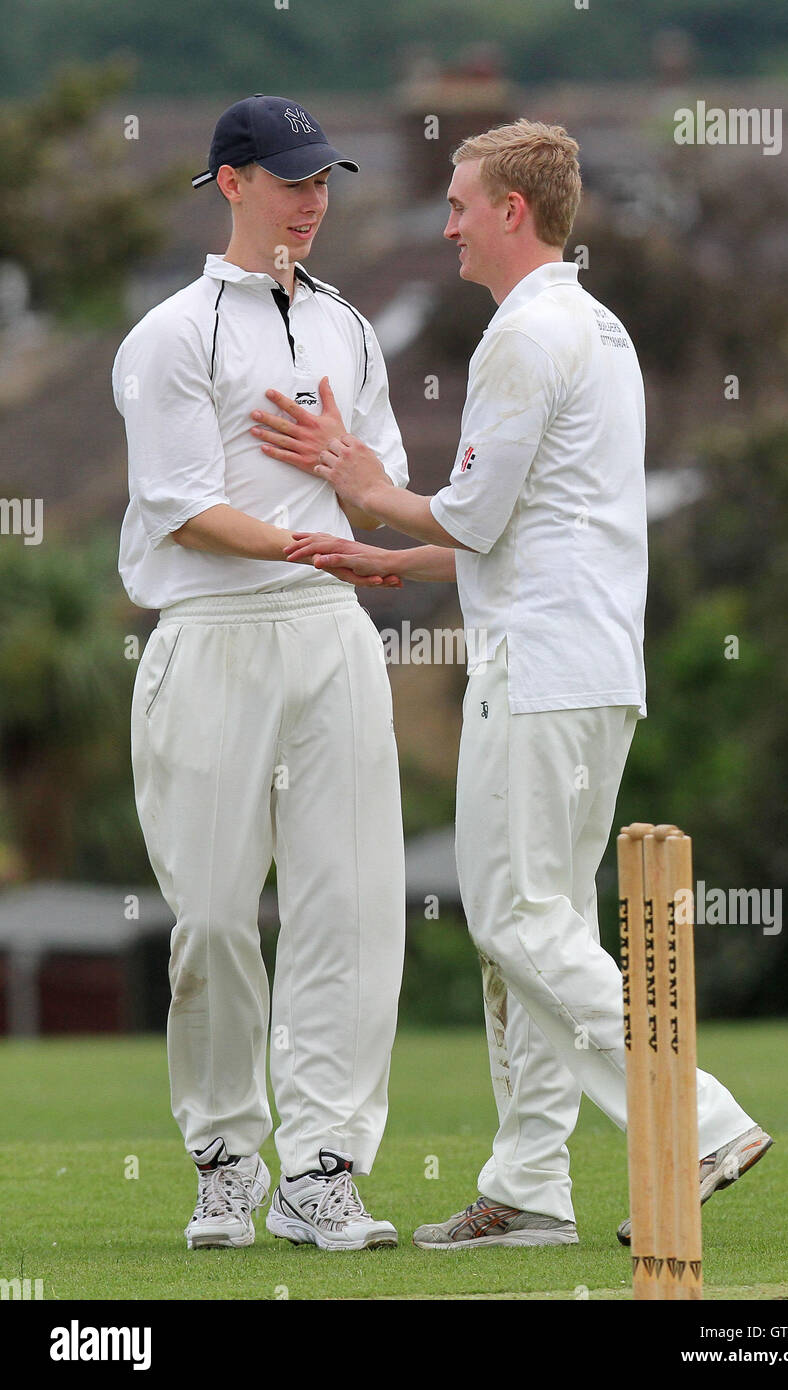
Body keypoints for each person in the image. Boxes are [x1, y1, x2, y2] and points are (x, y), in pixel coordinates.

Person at [261, 118, 773, 1249]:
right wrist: (392, 558)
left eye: (456, 203)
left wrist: (358, 481)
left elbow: (474, 513)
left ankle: (698, 1123)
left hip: (537, 669)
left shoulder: (523, 337)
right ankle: (531, 1185)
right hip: (588, 669)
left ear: (509, 211)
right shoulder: (594, 328)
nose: (441, 224)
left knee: (515, 915)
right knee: (537, 921)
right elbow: (528, 526)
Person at [113, 95, 409, 1253]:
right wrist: (315, 538)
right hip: (214, 632)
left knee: (348, 904)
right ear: (229, 183)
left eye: (322, 178)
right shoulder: (172, 334)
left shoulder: (347, 326)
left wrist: (363, 515)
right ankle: (225, 1159)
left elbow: (372, 476)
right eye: (290, 179)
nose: (312, 198)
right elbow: (184, 511)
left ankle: (324, 1169)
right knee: (216, 919)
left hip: (329, 628)